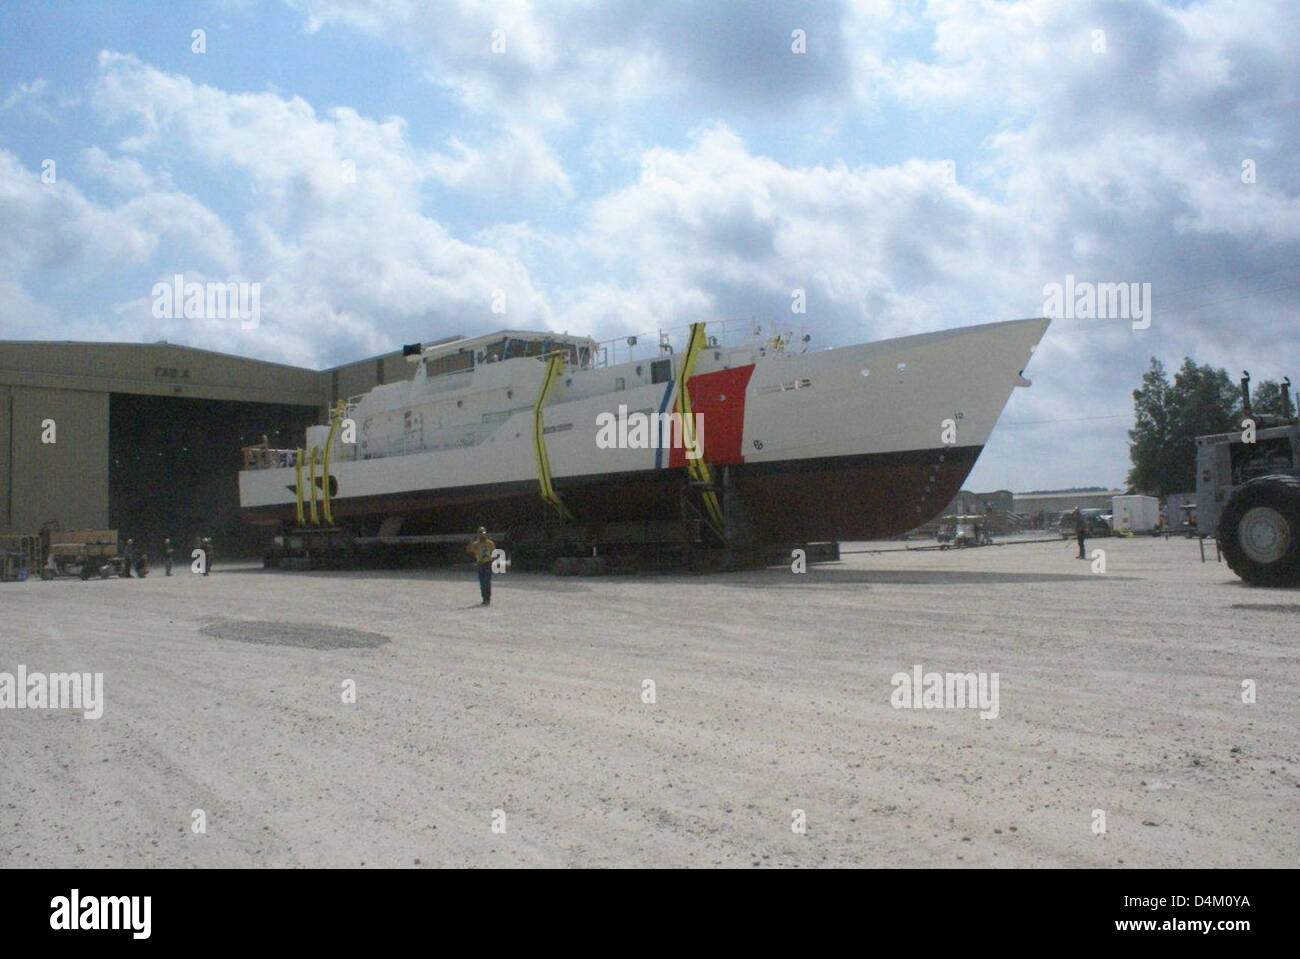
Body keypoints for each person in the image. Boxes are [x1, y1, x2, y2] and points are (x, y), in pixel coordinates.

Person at [466, 527, 495, 605]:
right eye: (480, 533)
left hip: (487, 563)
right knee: (482, 582)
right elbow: (468, 550)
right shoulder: (476, 544)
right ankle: (484, 598)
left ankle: (487, 598)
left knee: (487, 582)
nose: (482, 535)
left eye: (483, 533)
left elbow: (494, 552)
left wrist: (492, 560)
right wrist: (470, 542)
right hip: (480, 564)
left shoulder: (490, 543)